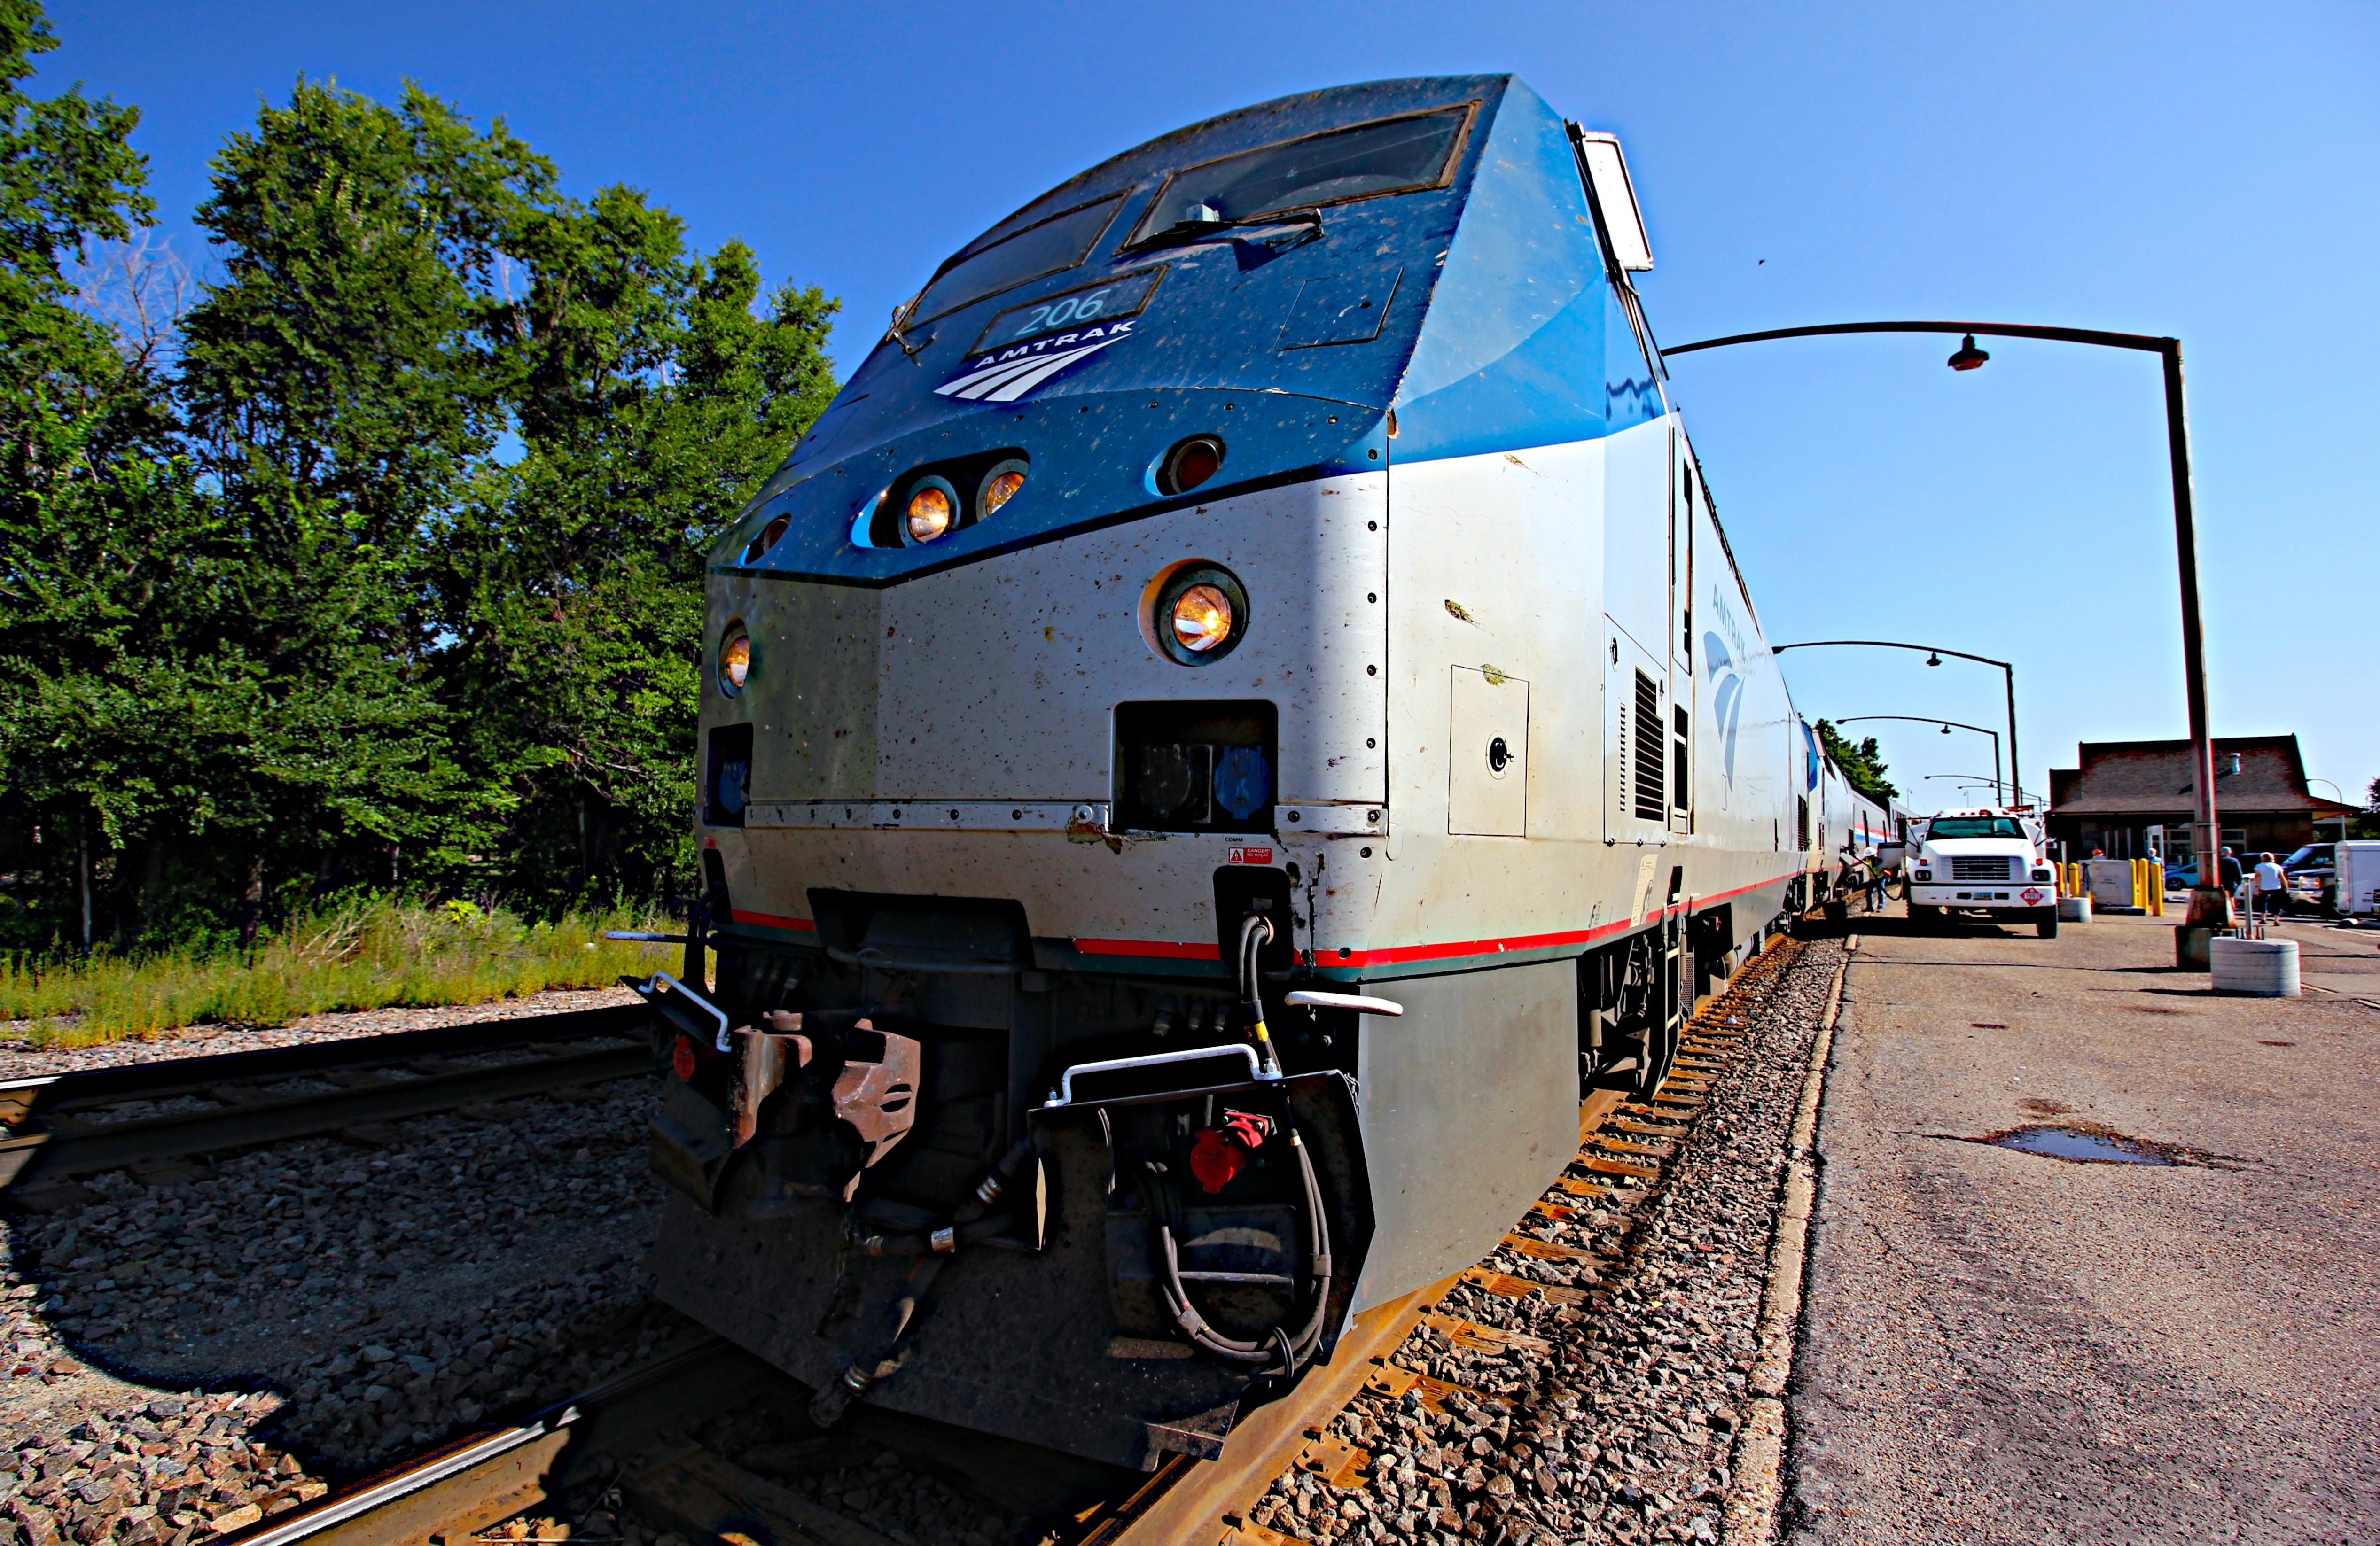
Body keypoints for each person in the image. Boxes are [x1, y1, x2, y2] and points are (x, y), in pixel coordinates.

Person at [2254, 851, 2289, 918]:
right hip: (2276, 887)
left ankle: (2263, 919)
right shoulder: (2277, 867)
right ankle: (2276, 920)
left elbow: (2257, 877)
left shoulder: (2259, 866)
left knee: (2263, 903)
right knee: (2277, 903)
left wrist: (2257, 887)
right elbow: (2282, 878)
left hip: (2263, 887)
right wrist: (2286, 887)